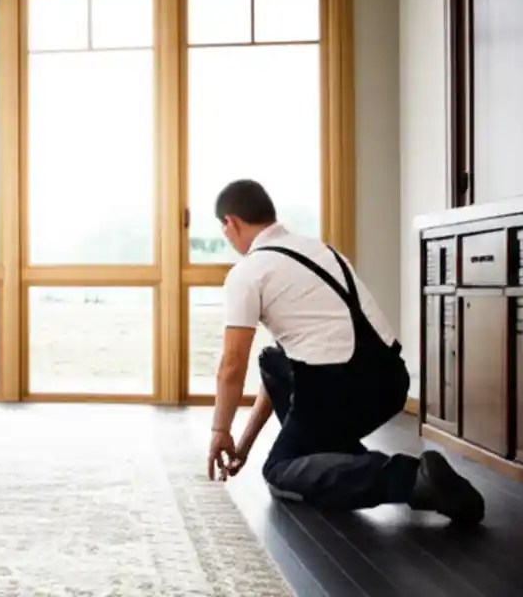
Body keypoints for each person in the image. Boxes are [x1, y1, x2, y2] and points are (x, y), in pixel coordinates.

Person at [205, 179, 484, 524]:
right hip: (390, 382)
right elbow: (281, 367)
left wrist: (220, 431)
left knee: (280, 471)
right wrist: (244, 443)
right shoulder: (321, 251)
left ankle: (409, 478)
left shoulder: (248, 272)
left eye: (225, 230)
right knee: (272, 360)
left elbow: (232, 365)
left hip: (340, 390)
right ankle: (340, 456)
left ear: (230, 222)